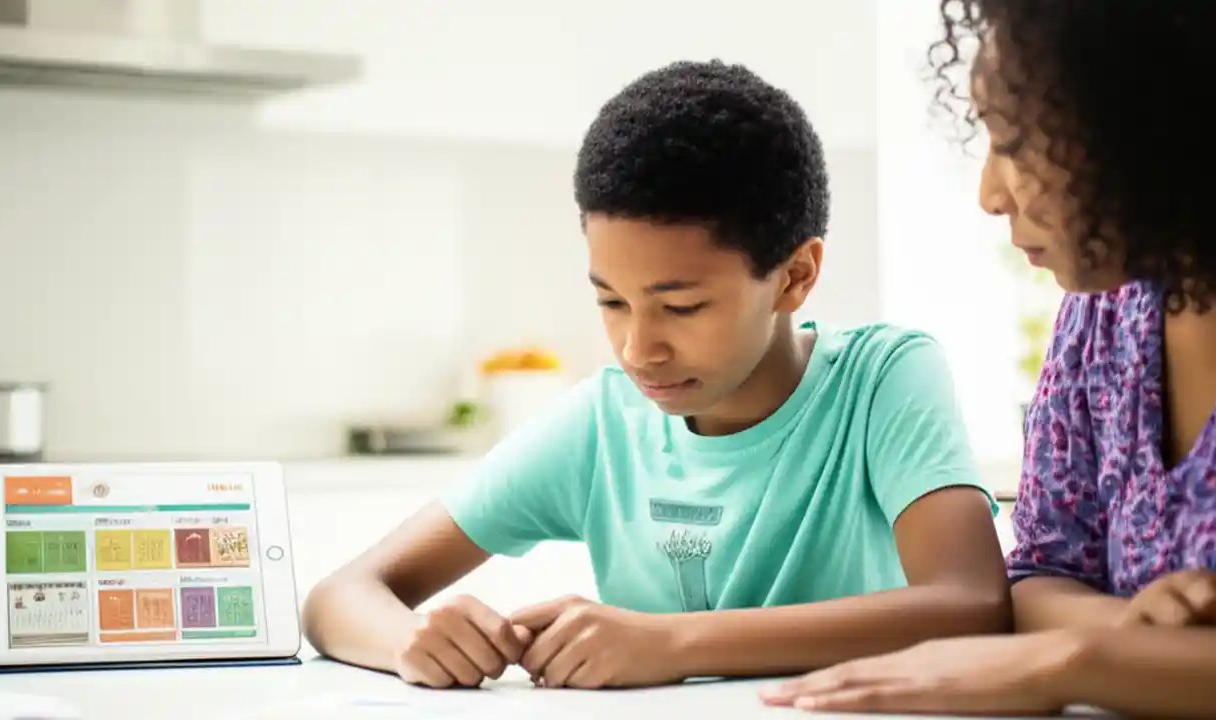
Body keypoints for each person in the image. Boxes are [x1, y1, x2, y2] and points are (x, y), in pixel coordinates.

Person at [301, 59, 1008, 690]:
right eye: (611, 301)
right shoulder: (604, 424)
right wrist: (413, 642)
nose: (639, 349)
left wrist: (673, 642)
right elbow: (340, 596)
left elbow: (973, 604)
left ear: (795, 276)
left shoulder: (885, 378)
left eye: (682, 306)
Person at [761, 2, 1216, 717]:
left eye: (1016, 140)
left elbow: (1054, 635)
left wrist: (1074, 660)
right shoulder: (1100, 318)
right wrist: (1134, 642)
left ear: (1150, 120)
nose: (989, 194)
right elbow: (1040, 578)